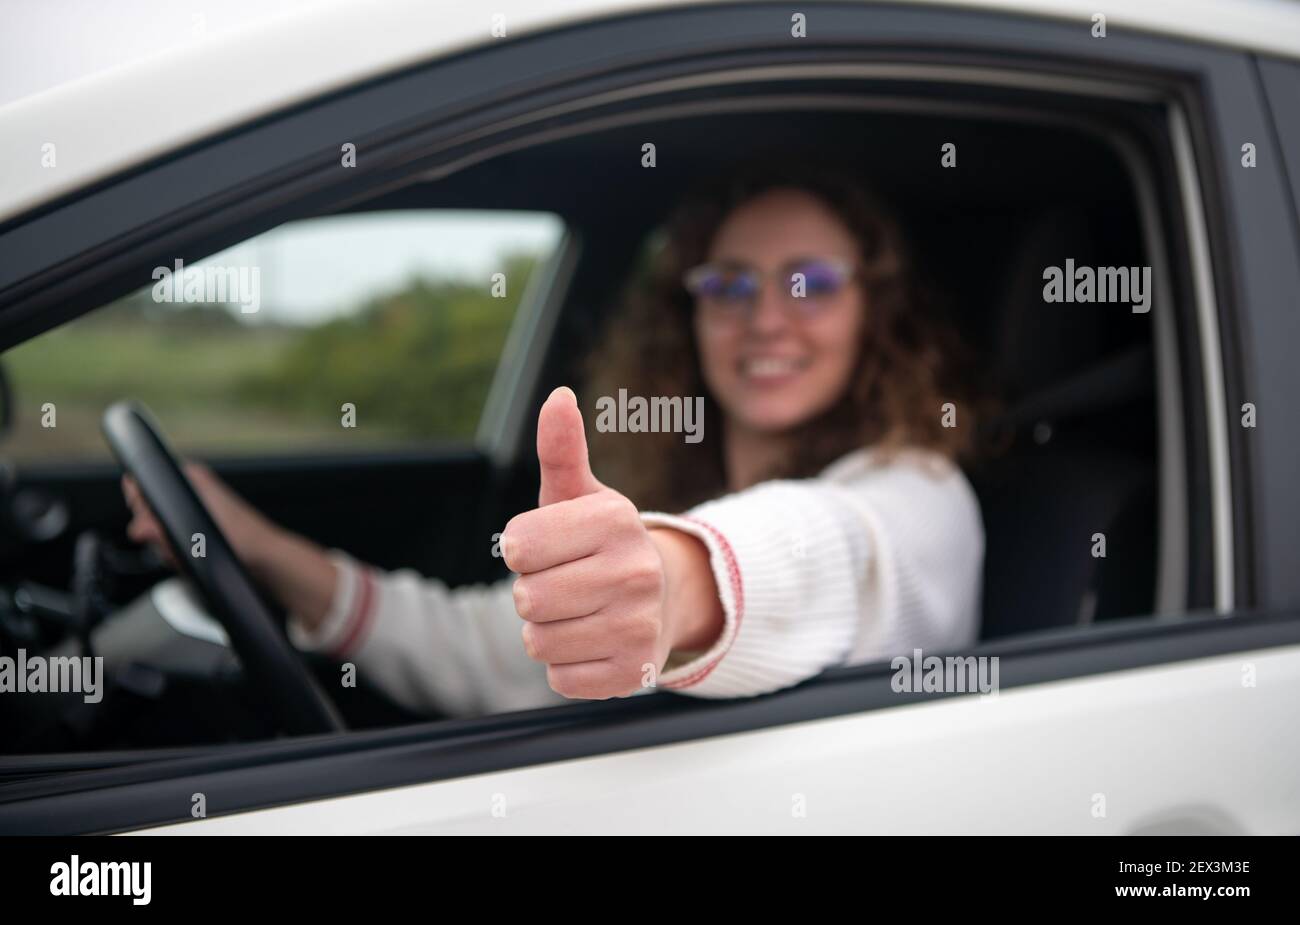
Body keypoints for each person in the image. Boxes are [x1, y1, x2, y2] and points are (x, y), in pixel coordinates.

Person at [123, 164, 985, 718]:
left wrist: (676, 582)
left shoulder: (921, 499)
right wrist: (260, 549)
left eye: (812, 282)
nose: (765, 317)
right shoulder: (668, 483)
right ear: (691, 311)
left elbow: (823, 552)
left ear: (875, 312)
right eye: (729, 283)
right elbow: (480, 650)